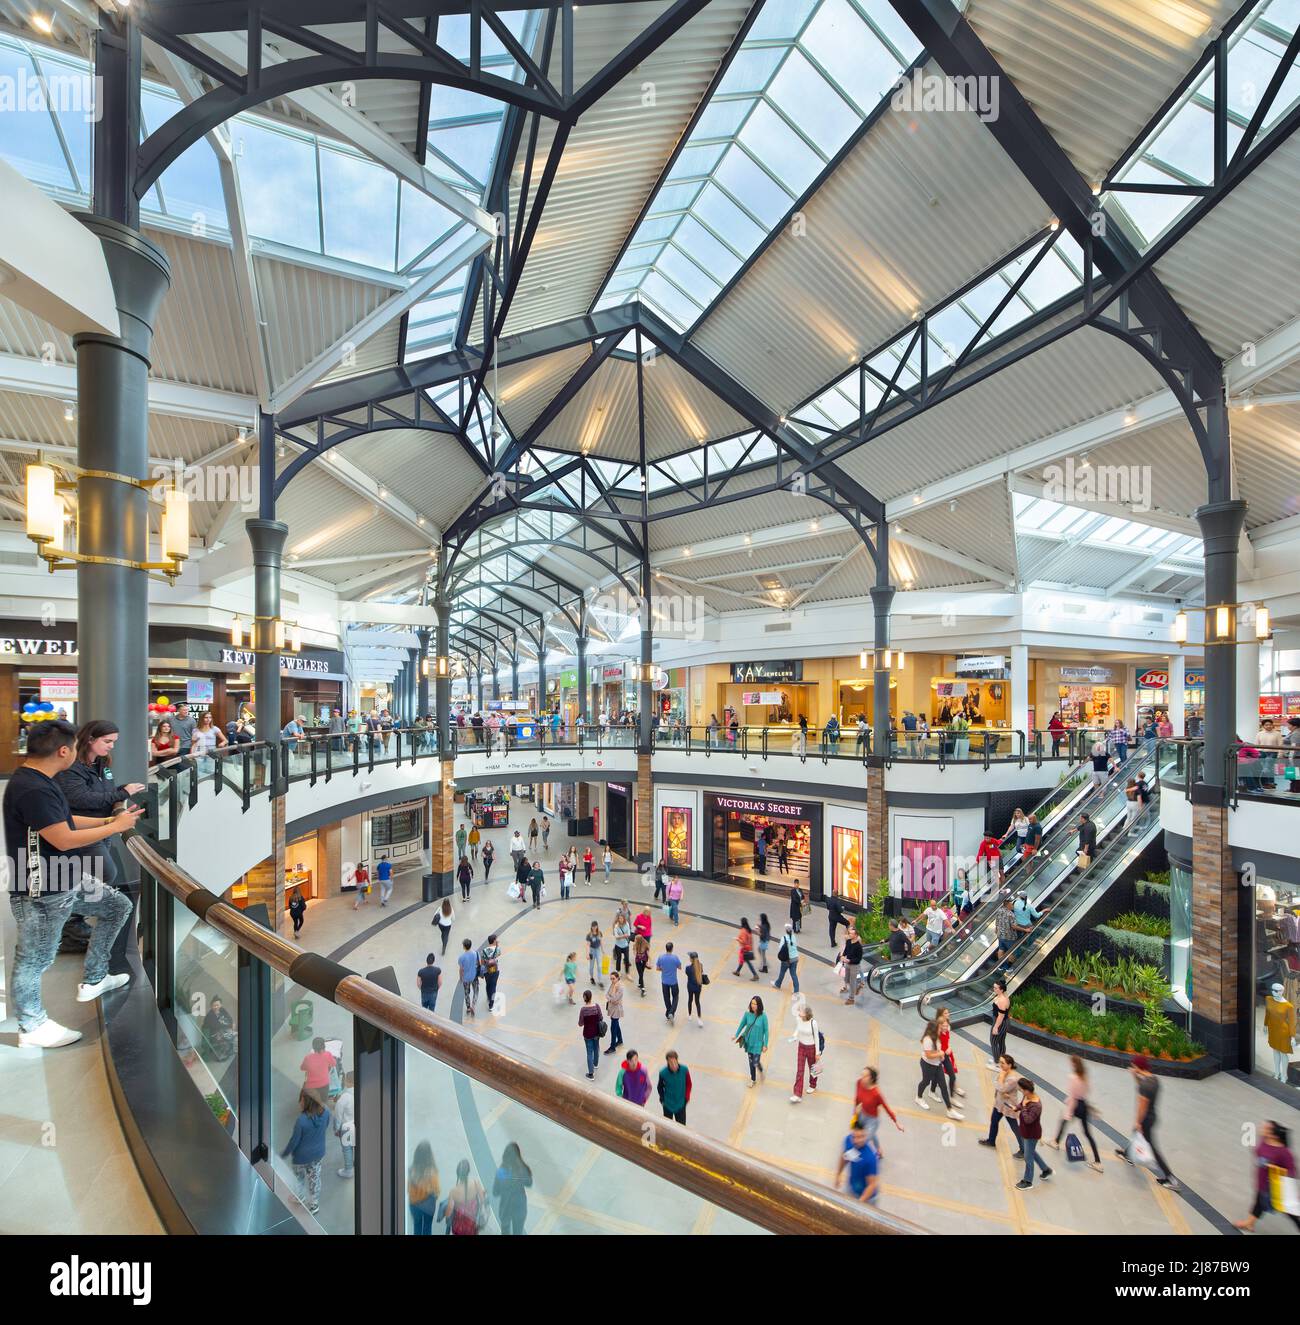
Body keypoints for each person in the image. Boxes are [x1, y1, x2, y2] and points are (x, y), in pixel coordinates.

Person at [3, 719, 143, 1048]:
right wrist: (114, 827)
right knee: (35, 958)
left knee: (117, 905)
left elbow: (65, 819)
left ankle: (95, 977)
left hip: (63, 879)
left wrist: (112, 819)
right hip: (42, 889)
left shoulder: (42, 780)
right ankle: (31, 1026)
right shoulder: (34, 788)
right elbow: (64, 838)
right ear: (64, 751)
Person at [1114, 1054, 1179, 1189]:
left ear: (1138, 1066)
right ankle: (1127, 1154)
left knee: (1152, 1147)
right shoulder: (1153, 1079)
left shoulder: (1144, 1085)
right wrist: (1134, 1076)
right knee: (1135, 1135)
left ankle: (1171, 1178)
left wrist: (1138, 1123)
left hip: (1145, 1120)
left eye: (1133, 1066)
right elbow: (1142, 1087)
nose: (1132, 1068)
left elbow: (1142, 1106)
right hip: (1153, 1116)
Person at [1234, 1120, 1300, 1232]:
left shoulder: (1283, 1152)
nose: (1261, 1129)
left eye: (1264, 1128)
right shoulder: (1264, 1141)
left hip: (1277, 1186)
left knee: (1290, 1212)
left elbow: (1292, 1170)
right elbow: (1259, 1153)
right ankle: (1249, 1224)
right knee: (1259, 1202)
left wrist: (1292, 1191)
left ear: (1272, 1135)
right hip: (1263, 1182)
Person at [281, 1090, 330, 1215]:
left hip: (301, 1157)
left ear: (306, 1103)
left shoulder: (301, 1120)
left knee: (299, 1177)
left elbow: (294, 1141)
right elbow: (326, 1126)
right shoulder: (326, 1113)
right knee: (315, 1178)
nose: (299, 1102)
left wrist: (285, 1153)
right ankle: (314, 1204)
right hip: (318, 1154)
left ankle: (299, 1196)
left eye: (301, 1100)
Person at [1049, 1055, 1102, 1171]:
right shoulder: (1085, 1077)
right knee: (1088, 1134)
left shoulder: (1073, 1077)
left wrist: (1068, 1112)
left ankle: (1056, 1142)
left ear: (1073, 1065)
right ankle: (1098, 1161)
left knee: (1064, 1120)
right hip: (1084, 1106)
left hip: (1076, 1106)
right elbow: (1087, 1091)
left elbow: (1072, 1097)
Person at [915, 1019, 963, 1118]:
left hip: (937, 1064)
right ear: (933, 1029)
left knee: (943, 1086)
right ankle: (919, 1097)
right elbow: (928, 1055)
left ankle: (950, 1110)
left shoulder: (937, 1037)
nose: (940, 1030)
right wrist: (940, 1053)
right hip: (927, 1065)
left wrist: (941, 1056)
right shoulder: (927, 1039)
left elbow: (939, 1049)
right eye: (939, 1028)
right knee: (925, 1082)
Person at [978, 1054, 1025, 1155]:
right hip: (1000, 1103)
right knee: (994, 1121)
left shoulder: (1012, 1078)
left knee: (1015, 1128)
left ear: (1010, 1065)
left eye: (1003, 1063)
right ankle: (991, 1141)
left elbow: (1001, 1087)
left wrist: (1002, 1081)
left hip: (1009, 1107)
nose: (1000, 1065)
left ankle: (1024, 1149)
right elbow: (996, 1083)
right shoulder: (1004, 1072)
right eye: (1000, 1062)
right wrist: (1001, 1085)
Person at [853, 1065, 903, 1156]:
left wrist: (896, 1122)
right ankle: (879, 1150)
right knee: (871, 1134)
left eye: (865, 1076)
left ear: (872, 1079)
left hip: (872, 1121)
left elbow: (886, 1107)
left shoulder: (876, 1093)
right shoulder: (859, 1083)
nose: (862, 1078)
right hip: (862, 1115)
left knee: (863, 1140)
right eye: (862, 1075)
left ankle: (857, 1156)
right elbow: (857, 1098)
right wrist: (855, 1113)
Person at [1013, 1077, 1053, 1189]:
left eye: (1021, 1090)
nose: (1020, 1091)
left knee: (1028, 1157)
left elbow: (1028, 1120)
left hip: (1031, 1134)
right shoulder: (1027, 1096)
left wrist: (1024, 1107)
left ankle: (1028, 1181)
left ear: (1026, 1090)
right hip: (1025, 1132)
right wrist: (1017, 1108)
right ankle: (1046, 1170)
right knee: (1031, 1152)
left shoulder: (1036, 1106)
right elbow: (1022, 1104)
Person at [493, 1143, 533, 1236]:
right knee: (518, 1232)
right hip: (520, 1208)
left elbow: (495, 1192)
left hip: (506, 1207)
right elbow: (529, 1183)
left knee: (505, 1231)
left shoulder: (501, 1171)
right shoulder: (521, 1168)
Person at [837, 1123, 881, 1204]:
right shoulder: (849, 1141)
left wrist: (859, 1203)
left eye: (861, 1137)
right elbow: (845, 1158)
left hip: (867, 1199)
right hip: (851, 1188)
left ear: (866, 1136)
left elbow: (872, 1185)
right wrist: (838, 1175)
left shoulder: (870, 1158)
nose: (856, 1140)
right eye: (854, 1137)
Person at [443, 1159, 487, 1235]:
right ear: (468, 1171)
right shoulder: (476, 1183)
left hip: (458, 1228)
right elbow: (484, 1201)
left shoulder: (453, 1191)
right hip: (472, 1227)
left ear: (457, 1173)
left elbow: (448, 1214)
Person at [1264, 982, 1297, 1082]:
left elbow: (1292, 1022)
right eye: (1272, 990)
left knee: (1283, 1053)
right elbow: (1267, 1013)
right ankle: (1277, 1072)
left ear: (1282, 991)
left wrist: (1292, 1036)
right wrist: (1265, 1024)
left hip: (1283, 1031)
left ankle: (1284, 1075)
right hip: (1272, 1029)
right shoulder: (1268, 999)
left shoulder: (1288, 1006)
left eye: (1276, 990)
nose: (1273, 992)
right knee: (1275, 1050)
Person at [734, 995, 769, 1088]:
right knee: (751, 1062)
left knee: (755, 1062)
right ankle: (753, 1079)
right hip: (749, 1043)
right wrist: (736, 1035)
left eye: (755, 1004)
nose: (753, 1005)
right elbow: (742, 1024)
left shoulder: (763, 1016)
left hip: (758, 1044)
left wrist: (765, 1044)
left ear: (759, 1005)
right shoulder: (747, 1014)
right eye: (752, 1003)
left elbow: (766, 1030)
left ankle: (760, 1070)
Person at [408, 1141, 440, 1234]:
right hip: (428, 1205)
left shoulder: (411, 1170)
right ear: (430, 1155)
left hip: (414, 1205)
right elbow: (437, 1190)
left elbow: (408, 1189)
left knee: (417, 1227)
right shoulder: (432, 1171)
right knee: (427, 1228)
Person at [791, 1004, 821, 1103]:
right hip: (801, 1046)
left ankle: (813, 1084)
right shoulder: (798, 1019)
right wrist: (794, 1036)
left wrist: (817, 1052)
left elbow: (816, 1037)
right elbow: (797, 1029)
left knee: (812, 1067)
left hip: (811, 1047)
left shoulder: (813, 1023)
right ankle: (797, 1094)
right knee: (800, 1070)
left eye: (801, 1011)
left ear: (806, 1014)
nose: (799, 1011)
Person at [657, 1050, 691, 1124]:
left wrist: (686, 1098)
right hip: (668, 1105)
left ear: (677, 1060)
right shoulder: (663, 1073)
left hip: (681, 1104)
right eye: (670, 1062)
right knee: (667, 1126)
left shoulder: (684, 1070)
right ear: (667, 1062)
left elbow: (689, 1084)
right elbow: (659, 1087)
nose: (673, 1065)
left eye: (674, 1062)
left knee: (681, 1127)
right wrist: (662, 1100)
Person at [334, 1071, 355, 1179]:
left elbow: (338, 1114)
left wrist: (337, 1129)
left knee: (347, 1148)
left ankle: (349, 1170)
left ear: (348, 1082)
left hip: (347, 1127)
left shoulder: (344, 1097)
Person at [578, 988, 603, 1078]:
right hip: (596, 1032)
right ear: (591, 997)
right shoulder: (596, 1006)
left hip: (587, 1034)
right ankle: (595, 1064)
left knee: (589, 1052)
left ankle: (591, 1074)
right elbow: (601, 1018)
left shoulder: (583, 1010)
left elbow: (580, 1024)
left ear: (584, 998)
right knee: (596, 1048)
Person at [202, 996, 236, 1060]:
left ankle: (229, 1050)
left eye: (217, 1005)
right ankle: (223, 1054)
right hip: (213, 1033)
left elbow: (229, 1017)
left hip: (223, 1031)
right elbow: (216, 1026)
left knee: (232, 1035)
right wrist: (228, 1027)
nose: (216, 1007)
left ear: (221, 1005)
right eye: (214, 1005)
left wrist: (232, 1023)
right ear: (211, 1006)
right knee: (228, 1036)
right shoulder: (210, 1015)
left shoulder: (222, 1010)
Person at [656, 940, 682, 1020]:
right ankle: (671, 1012)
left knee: (666, 997)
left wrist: (663, 969)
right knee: (675, 996)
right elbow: (680, 967)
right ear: (672, 949)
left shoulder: (661, 957)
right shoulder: (675, 958)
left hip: (664, 981)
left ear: (666, 948)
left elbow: (657, 968)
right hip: (673, 981)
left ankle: (668, 1012)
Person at [840, 926, 864, 1005]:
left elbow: (859, 959)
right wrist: (843, 956)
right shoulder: (848, 941)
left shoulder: (858, 947)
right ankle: (856, 988)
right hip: (848, 964)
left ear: (856, 935)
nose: (849, 934)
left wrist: (850, 960)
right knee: (846, 979)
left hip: (854, 966)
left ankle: (851, 998)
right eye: (849, 933)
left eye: (851, 934)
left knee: (852, 981)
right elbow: (846, 950)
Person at [989, 977, 1011, 1066]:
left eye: (995, 988)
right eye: (993, 987)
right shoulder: (1003, 996)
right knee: (1001, 1041)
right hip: (1004, 1022)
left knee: (993, 1041)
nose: (994, 989)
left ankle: (997, 1062)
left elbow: (1001, 1016)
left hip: (1000, 1023)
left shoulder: (1002, 1000)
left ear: (1001, 990)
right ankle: (1002, 1061)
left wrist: (995, 1027)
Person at [773, 923, 801, 992]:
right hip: (795, 958)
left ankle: (777, 984)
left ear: (786, 930)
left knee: (782, 972)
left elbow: (780, 947)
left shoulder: (784, 938)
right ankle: (796, 990)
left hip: (787, 959)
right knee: (793, 974)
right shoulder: (794, 937)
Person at [604, 971, 626, 1054]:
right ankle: (620, 1040)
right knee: (616, 1025)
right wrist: (611, 999)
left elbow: (614, 998)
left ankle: (612, 1047)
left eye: (613, 979)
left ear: (617, 978)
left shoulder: (620, 987)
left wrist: (611, 998)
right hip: (612, 1007)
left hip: (617, 1010)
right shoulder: (613, 984)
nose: (612, 980)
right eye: (611, 979)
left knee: (613, 1028)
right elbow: (607, 995)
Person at [457, 937, 480, 1017]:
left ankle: (468, 1008)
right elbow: (477, 963)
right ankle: (473, 1005)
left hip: (466, 978)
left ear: (464, 947)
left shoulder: (461, 958)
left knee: (466, 992)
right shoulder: (475, 953)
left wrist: (460, 978)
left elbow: (461, 969)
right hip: (474, 976)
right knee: (476, 991)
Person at [994, 895, 1019, 968]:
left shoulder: (1000, 910)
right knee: (1012, 952)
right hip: (1009, 937)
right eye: (1011, 904)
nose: (1013, 905)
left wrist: (996, 928)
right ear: (1008, 905)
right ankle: (1008, 967)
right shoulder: (1010, 914)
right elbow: (1014, 926)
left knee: (1001, 950)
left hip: (1000, 935)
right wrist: (1025, 929)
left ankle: (1001, 966)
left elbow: (997, 920)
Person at [479, 934, 501, 1011]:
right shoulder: (497, 949)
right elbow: (499, 954)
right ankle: (491, 1004)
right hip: (495, 970)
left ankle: (489, 997)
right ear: (494, 940)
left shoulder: (483, 951)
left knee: (488, 984)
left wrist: (481, 972)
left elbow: (481, 962)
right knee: (493, 986)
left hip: (486, 971)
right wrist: (497, 945)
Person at [684, 950, 706, 1027]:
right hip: (698, 987)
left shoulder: (688, 968)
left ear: (691, 959)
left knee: (690, 1000)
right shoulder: (701, 965)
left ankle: (690, 1015)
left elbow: (687, 974)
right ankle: (699, 1018)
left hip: (690, 987)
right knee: (697, 1002)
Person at [585, 921, 605, 988]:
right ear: (591, 927)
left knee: (599, 966)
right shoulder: (589, 935)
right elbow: (587, 945)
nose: (594, 928)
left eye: (595, 926)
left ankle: (600, 981)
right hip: (592, 951)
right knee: (591, 966)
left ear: (597, 926)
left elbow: (601, 942)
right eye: (593, 926)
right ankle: (591, 977)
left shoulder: (599, 933)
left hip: (598, 950)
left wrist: (603, 951)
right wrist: (587, 954)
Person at [612, 907, 632, 972]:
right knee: (618, 959)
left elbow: (628, 934)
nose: (620, 919)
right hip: (618, 945)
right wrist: (624, 935)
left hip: (625, 945)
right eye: (619, 918)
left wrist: (621, 936)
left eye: (621, 918)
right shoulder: (616, 926)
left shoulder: (627, 924)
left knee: (626, 959)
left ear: (624, 919)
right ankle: (618, 971)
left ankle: (627, 972)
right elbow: (616, 936)